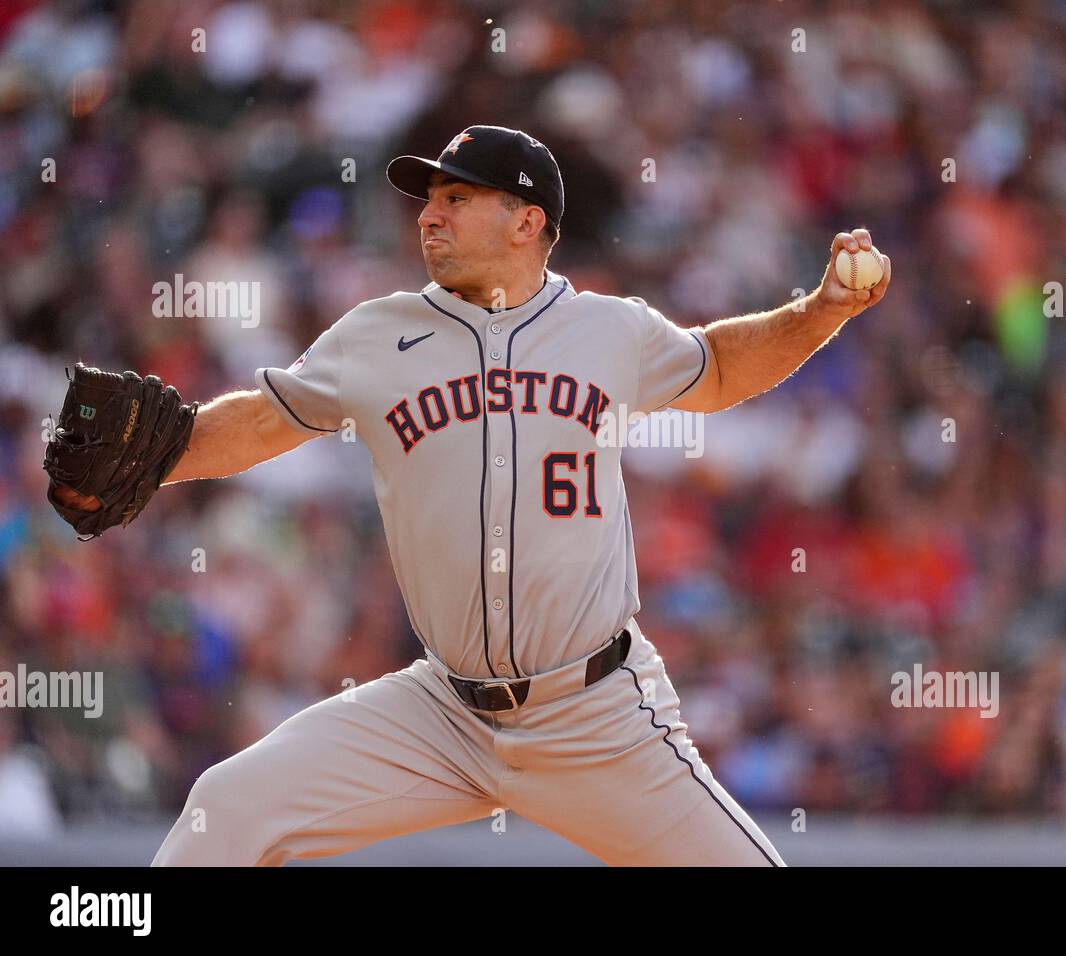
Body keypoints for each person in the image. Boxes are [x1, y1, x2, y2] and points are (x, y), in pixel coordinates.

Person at [63, 125, 890, 865]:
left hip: (595, 712)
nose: (429, 216)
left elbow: (719, 367)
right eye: (429, 200)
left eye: (456, 199)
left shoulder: (611, 331)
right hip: (442, 711)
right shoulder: (376, 335)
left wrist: (822, 311)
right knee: (225, 810)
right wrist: (155, 465)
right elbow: (260, 421)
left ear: (527, 221)